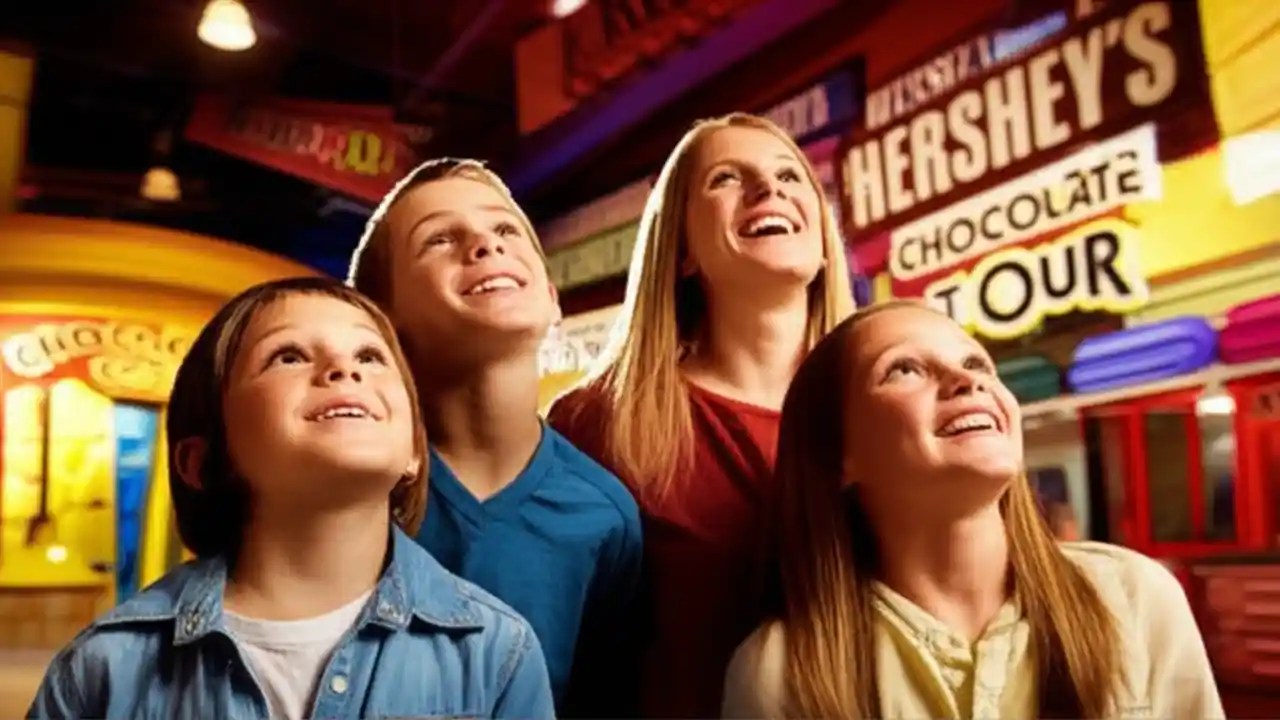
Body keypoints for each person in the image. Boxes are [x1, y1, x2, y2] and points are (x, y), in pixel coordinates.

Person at [28, 277, 554, 720]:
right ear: (203, 462)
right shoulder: (104, 671)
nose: (344, 370)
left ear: (415, 454)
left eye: (370, 356)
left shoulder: (494, 652)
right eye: (288, 355)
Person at [722, 300, 1225, 719]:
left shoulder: (1135, 598)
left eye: (978, 364)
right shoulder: (779, 672)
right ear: (839, 455)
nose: (967, 381)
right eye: (905, 369)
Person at [547, 112, 854, 717]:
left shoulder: (886, 403)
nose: (770, 191)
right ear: (682, 250)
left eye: (791, 175)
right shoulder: (597, 423)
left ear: (822, 241)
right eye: (726, 179)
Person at [348, 159, 642, 716]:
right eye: (438, 238)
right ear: (382, 321)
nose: (485, 244)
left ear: (552, 296)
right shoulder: (350, 493)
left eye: (505, 229)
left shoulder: (604, 517)